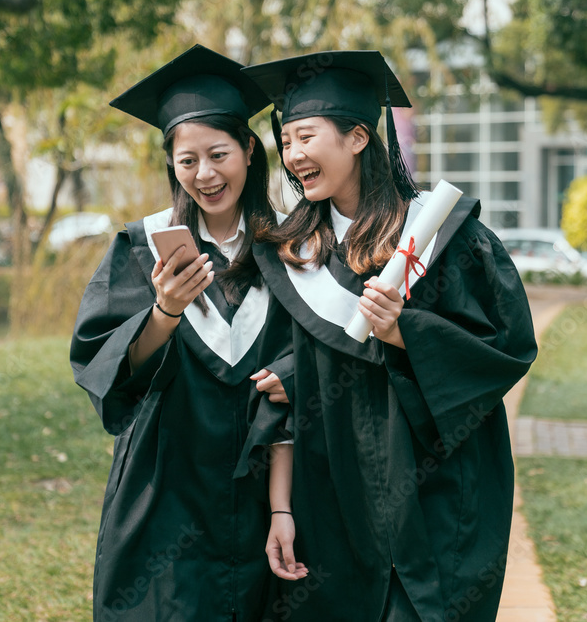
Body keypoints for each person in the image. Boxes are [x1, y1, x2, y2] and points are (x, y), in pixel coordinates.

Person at [235, 51, 538, 621]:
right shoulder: (291, 256)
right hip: (334, 495)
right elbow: (287, 358)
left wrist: (406, 334)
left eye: (306, 136)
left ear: (356, 139)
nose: (294, 155)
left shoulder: (441, 235)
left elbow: (509, 346)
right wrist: (292, 374)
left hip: (437, 489)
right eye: (287, 142)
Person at [70, 45, 285, 621]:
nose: (205, 174)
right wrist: (165, 310)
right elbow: (106, 367)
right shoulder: (141, 246)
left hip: (267, 477)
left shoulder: (290, 248)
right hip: (167, 480)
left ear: (248, 149)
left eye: (218, 154)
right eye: (186, 161)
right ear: (172, 165)